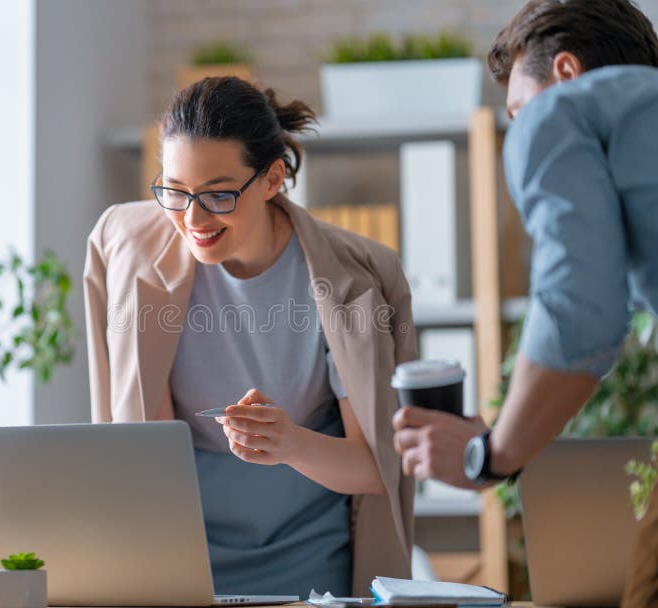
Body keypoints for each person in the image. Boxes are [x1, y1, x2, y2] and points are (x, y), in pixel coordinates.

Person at [83, 77, 418, 597]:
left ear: (272, 179)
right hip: (175, 553)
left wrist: (289, 443)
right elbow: (117, 434)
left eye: (218, 194)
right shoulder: (126, 246)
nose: (192, 219)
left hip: (309, 563)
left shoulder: (349, 279)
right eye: (174, 191)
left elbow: (379, 468)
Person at [393, 0, 658, 489]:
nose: (520, 132)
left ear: (566, 72)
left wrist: (489, 456)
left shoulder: (560, 110)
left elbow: (581, 317)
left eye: (517, 112)